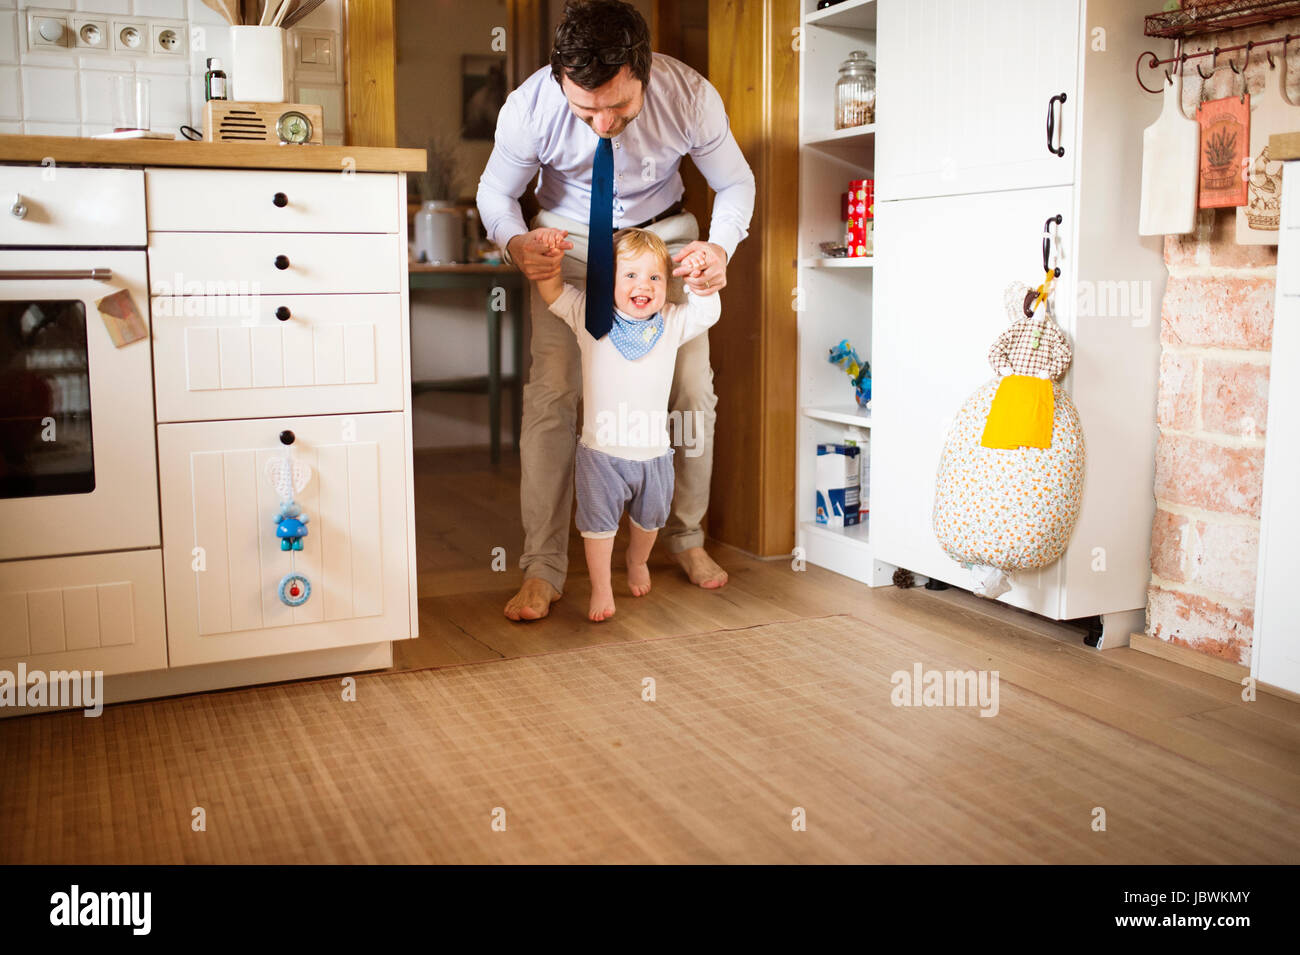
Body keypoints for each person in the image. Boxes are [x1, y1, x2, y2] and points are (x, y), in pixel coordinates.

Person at [476, 0, 755, 621]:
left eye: (620, 107)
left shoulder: (690, 97)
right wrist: (515, 242)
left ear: (645, 69)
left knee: (691, 394)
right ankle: (543, 567)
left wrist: (720, 246)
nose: (602, 123)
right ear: (559, 81)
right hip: (566, 245)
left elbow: (736, 183)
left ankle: (684, 536)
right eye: (586, 109)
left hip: (664, 243)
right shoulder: (530, 107)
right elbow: (496, 192)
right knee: (553, 396)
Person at [533, 226, 719, 621]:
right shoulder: (590, 314)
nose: (644, 285)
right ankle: (601, 588)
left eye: (654, 277)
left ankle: (638, 561)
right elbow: (552, 292)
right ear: (608, 281)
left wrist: (703, 281)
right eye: (630, 275)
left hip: (654, 456)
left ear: (667, 284)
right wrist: (549, 259)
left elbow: (708, 313)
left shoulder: (670, 321)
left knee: (649, 522)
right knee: (598, 528)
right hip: (601, 455)